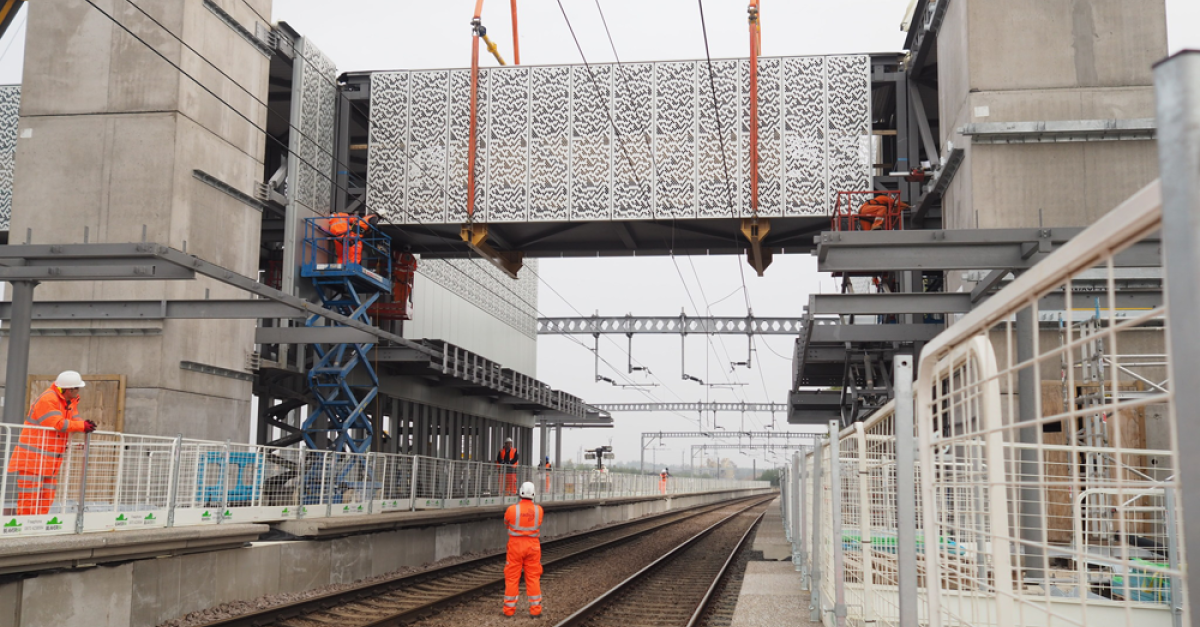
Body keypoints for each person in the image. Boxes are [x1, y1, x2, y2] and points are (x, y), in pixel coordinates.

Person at [5, 371, 96, 516]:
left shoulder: (69, 402)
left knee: (46, 498)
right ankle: (25, 528)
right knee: (30, 497)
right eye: (77, 388)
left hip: (49, 461)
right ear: (68, 389)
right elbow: (57, 423)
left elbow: (75, 418)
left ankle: (39, 527)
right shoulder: (48, 399)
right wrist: (81, 426)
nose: (79, 391)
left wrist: (84, 425)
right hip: (32, 459)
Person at [503, 481, 544, 618]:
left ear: (520, 492)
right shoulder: (539, 510)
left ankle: (509, 610)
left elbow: (506, 523)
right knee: (533, 577)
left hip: (515, 546)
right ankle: (535, 609)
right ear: (533, 494)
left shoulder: (511, 509)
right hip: (533, 546)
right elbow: (538, 524)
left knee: (512, 578)